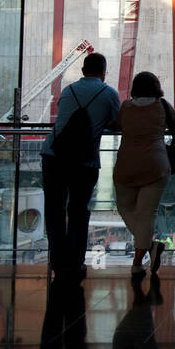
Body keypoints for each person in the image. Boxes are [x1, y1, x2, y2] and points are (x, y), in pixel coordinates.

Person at [41, 52, 120, 284]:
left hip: (53, 156)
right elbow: (116, 124)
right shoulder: (108, 94)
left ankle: (57, 263)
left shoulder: (68, 90)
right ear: (103, 72)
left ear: (83, 70)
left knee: (54, 212)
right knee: (77, 212)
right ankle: (75, 263)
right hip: (84, 163)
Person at [113, 71, 175, 278]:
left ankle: (149, 250)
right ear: (157, 88)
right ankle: (138, 262)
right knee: (147, 213)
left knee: (125, 207)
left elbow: (118, 124)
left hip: (126, 165)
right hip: (156, 166)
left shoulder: (126, 106)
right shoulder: (162, 106)